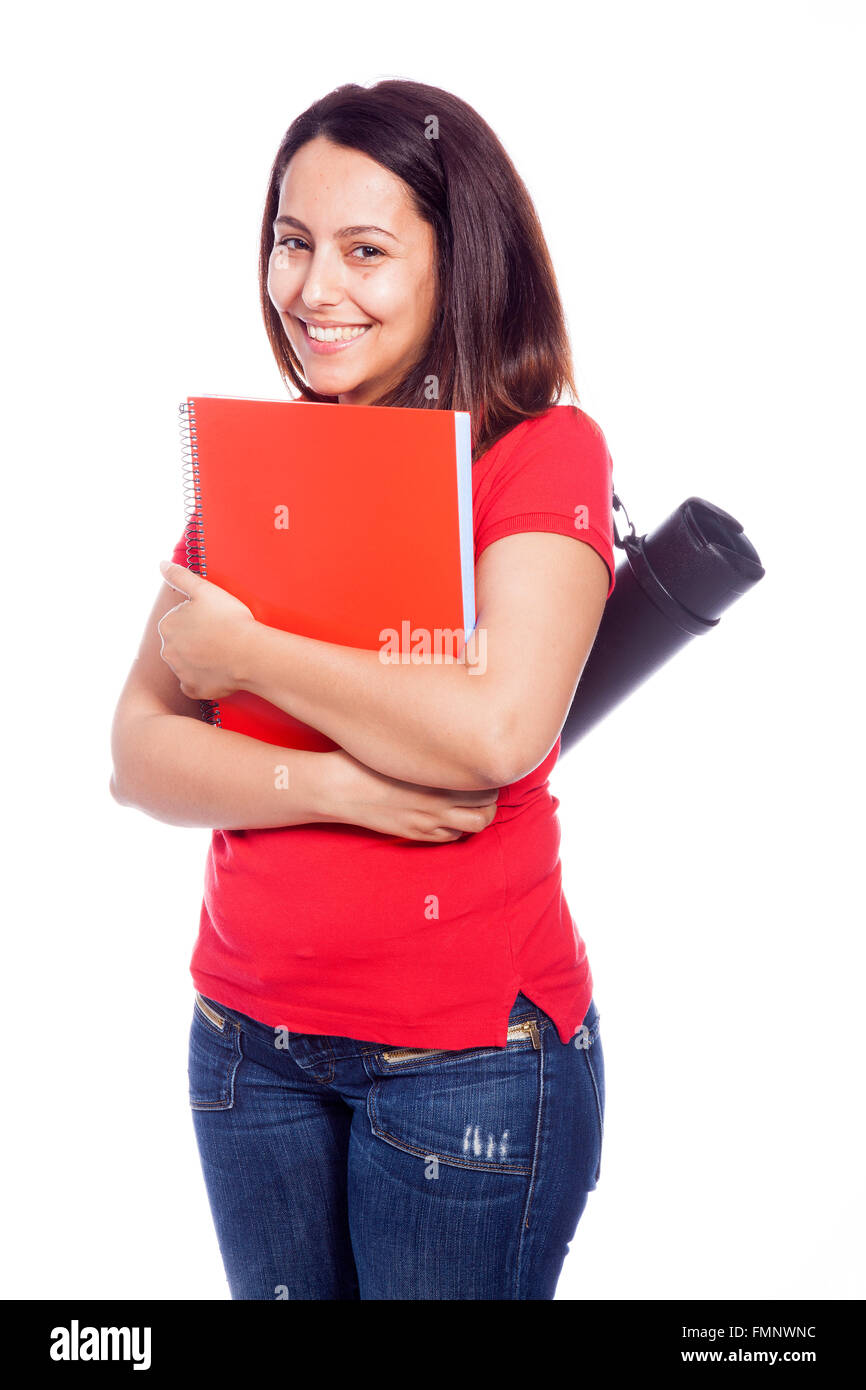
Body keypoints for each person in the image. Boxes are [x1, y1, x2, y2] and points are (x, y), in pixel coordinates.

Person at [109, 79, 615, 1301]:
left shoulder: (539, 451)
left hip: (462, 1066)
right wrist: (345, 785)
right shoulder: (258, 463)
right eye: (291, 242)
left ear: (459, 258)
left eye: (365, 250)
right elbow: (137, 753)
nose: (310, 288)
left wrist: (255, 658)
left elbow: (495, 727)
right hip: (247, 1048)